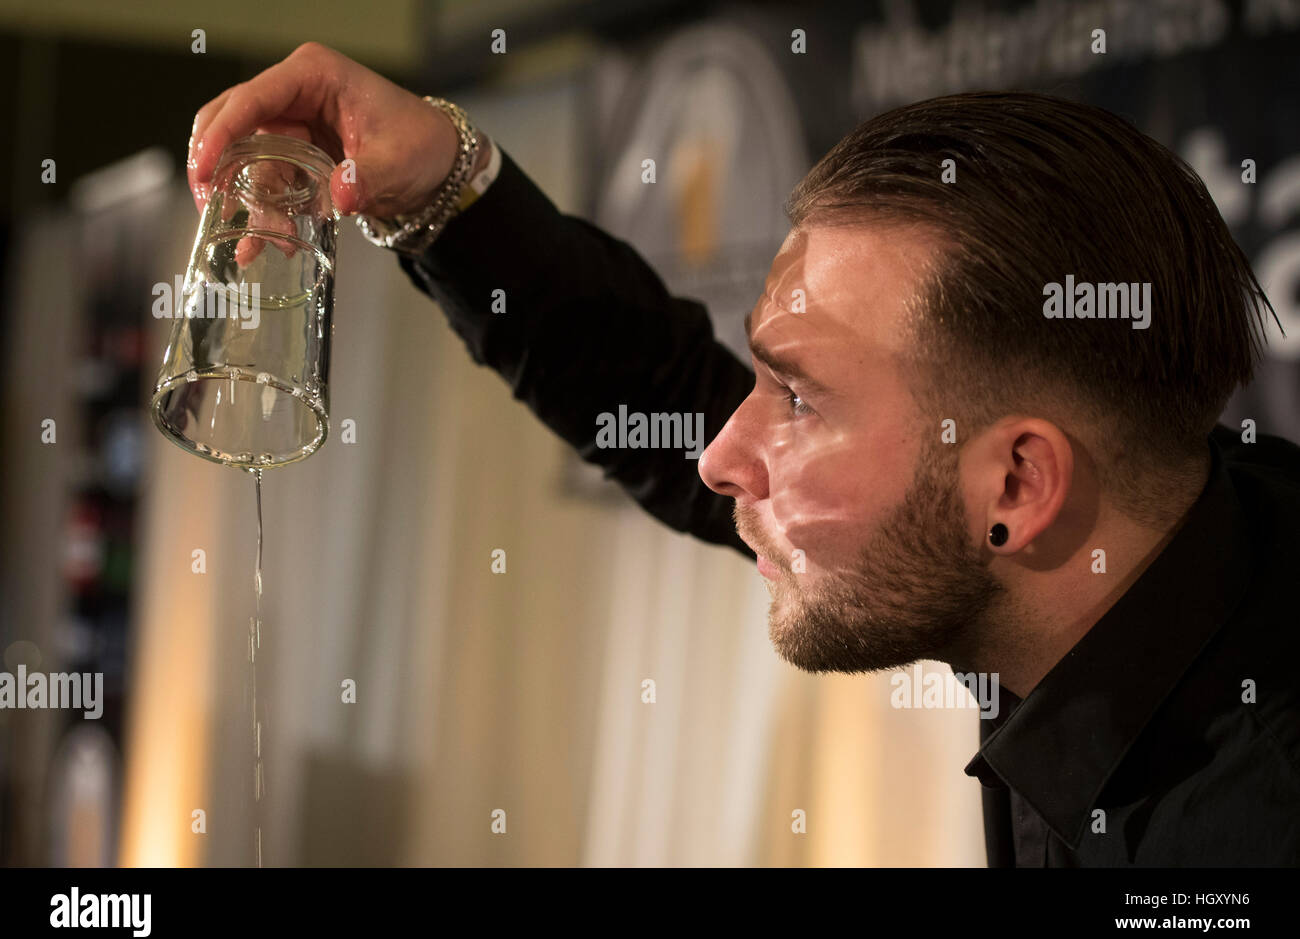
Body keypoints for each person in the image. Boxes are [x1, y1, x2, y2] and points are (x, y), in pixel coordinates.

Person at [189, 41, 1300, 866]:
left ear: (1016, 483)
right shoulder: (1128, 557)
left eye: (799, 399)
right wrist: (441, 186)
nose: (723, 454)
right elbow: (667, 401)